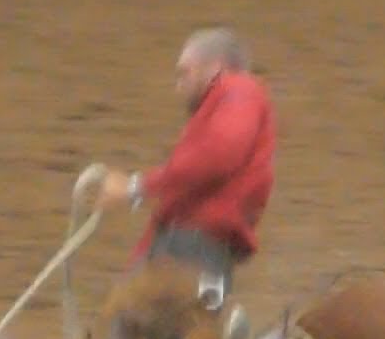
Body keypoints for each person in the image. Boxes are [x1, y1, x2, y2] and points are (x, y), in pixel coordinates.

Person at [95, 27, 277, 305]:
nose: (178, 86)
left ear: (215, 68)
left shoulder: (239, 89)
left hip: (190, 247)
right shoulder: (233, 104)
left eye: (185, 72)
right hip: (195, 247)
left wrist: (135, 187)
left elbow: (218, 155)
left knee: (129, 332)